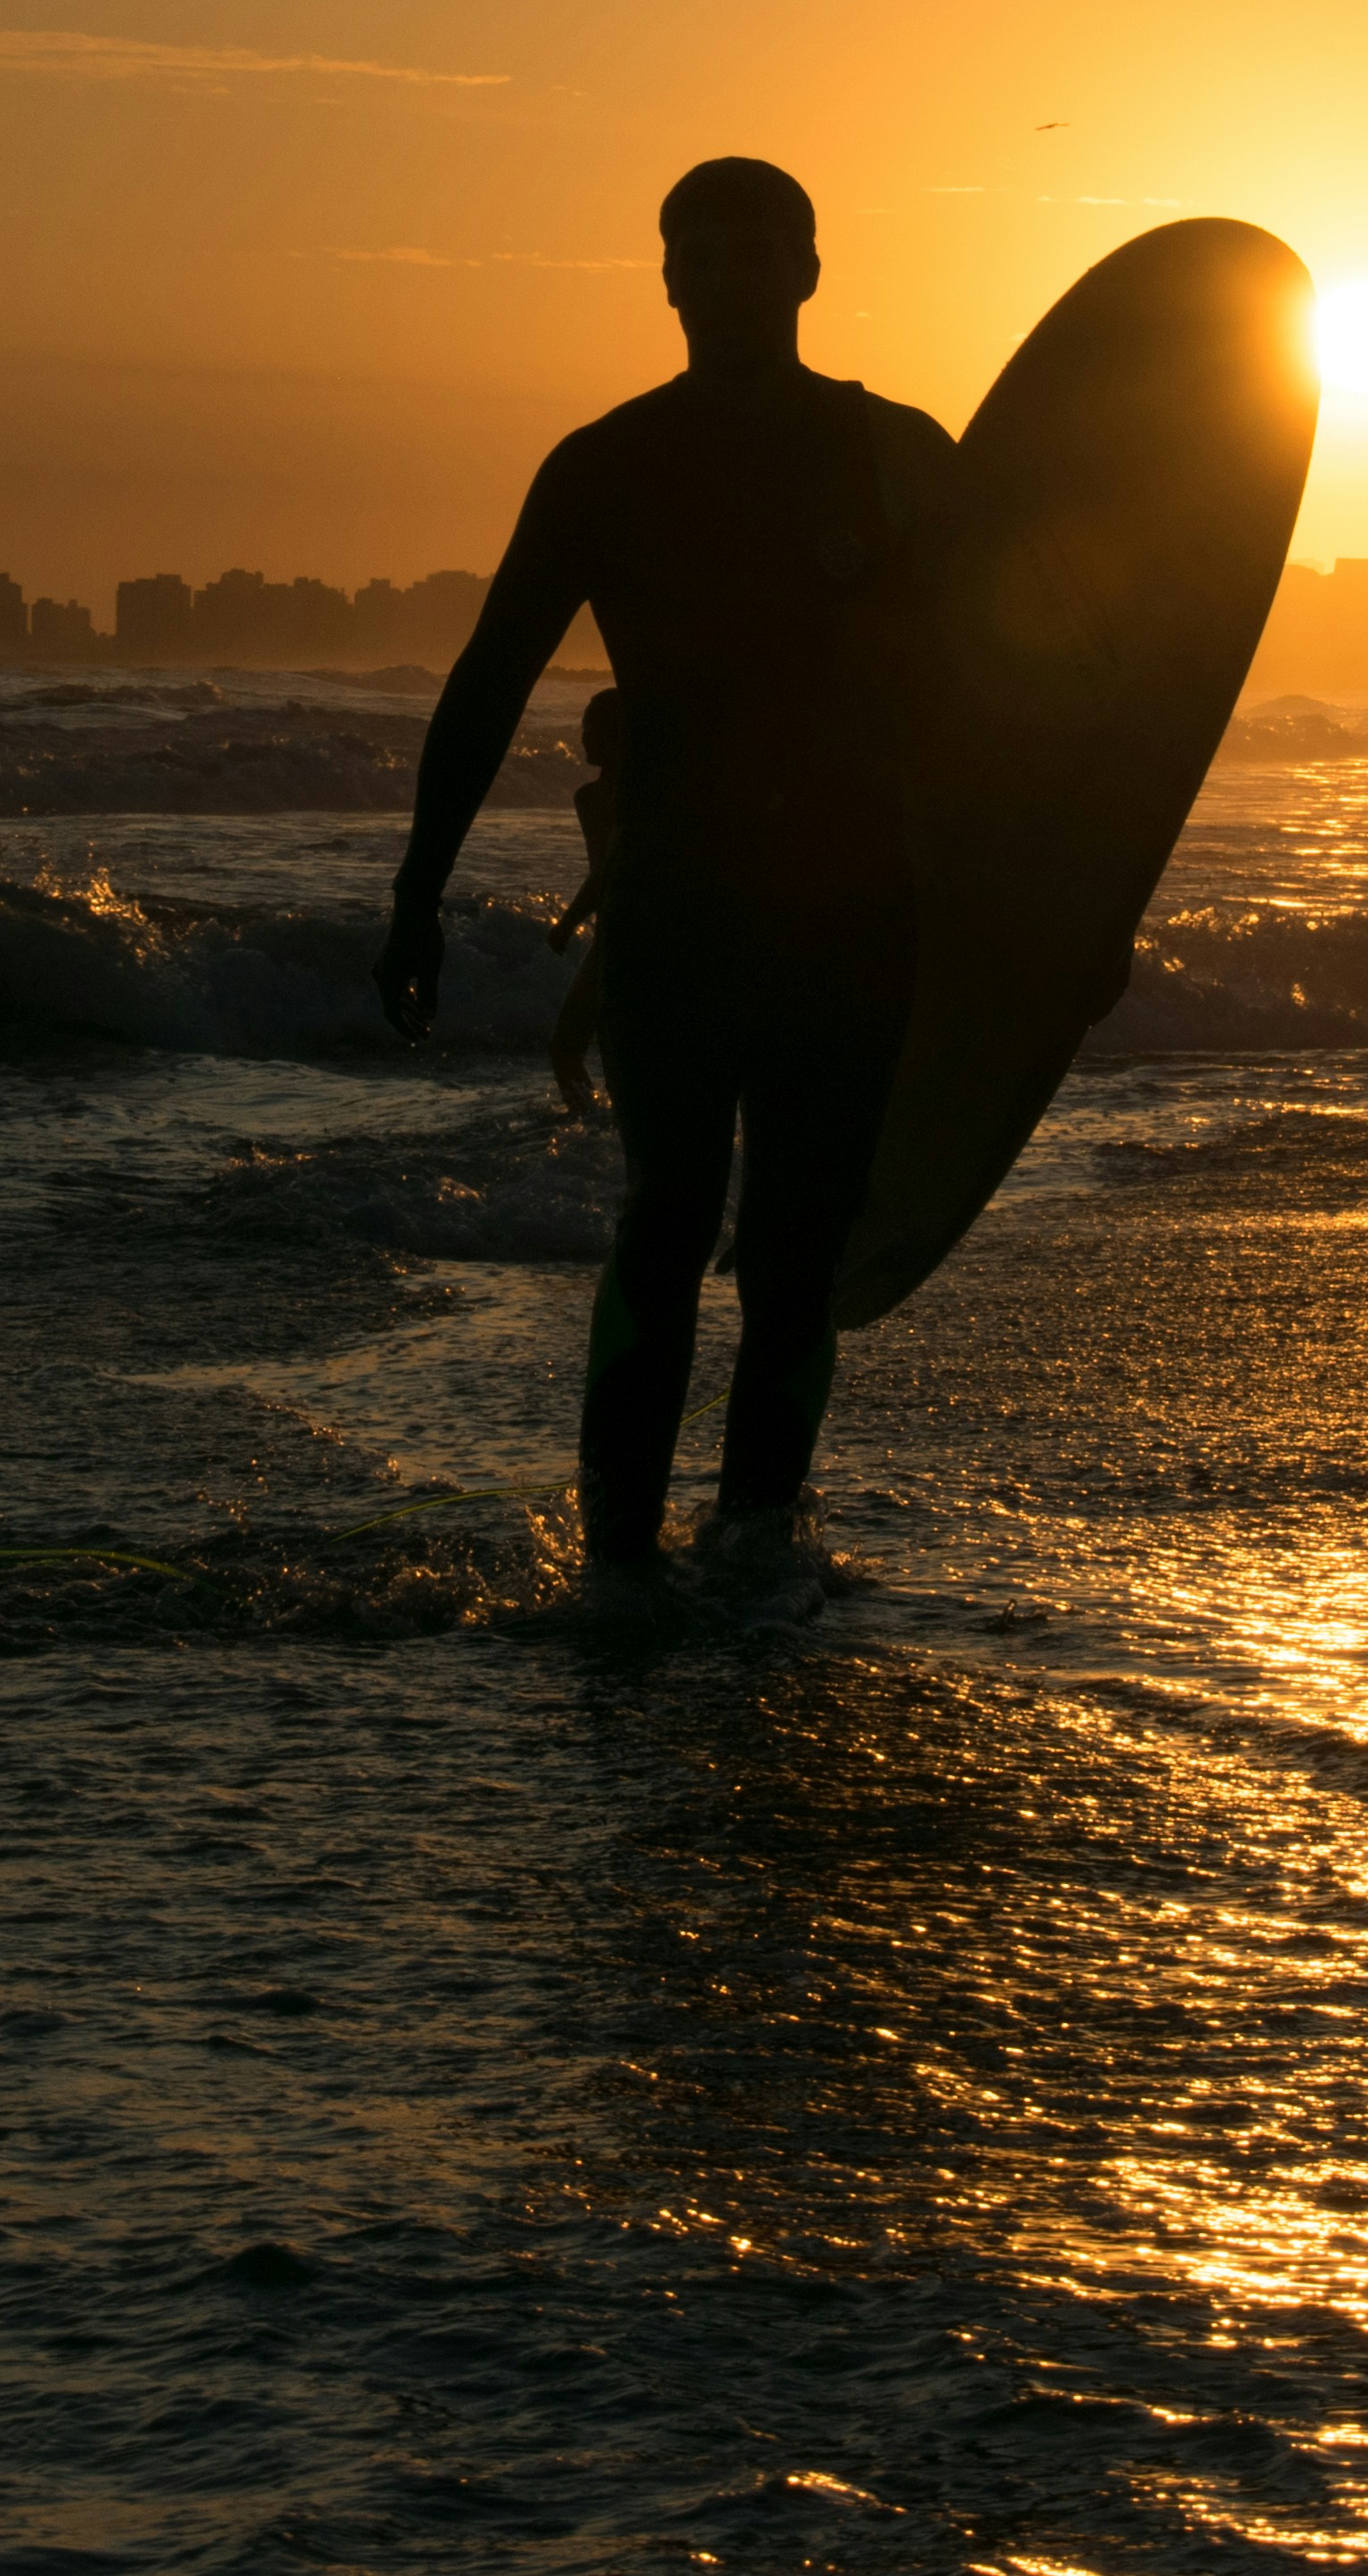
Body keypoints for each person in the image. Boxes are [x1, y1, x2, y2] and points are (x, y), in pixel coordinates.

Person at [373, 157, 954, 1625]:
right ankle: (621, 1566)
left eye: (756, 250)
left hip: (848, 903)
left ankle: (756, 1554)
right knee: (666, 1215)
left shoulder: (898, 458)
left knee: (797, 1247)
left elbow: (1013, 707)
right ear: (667, 280)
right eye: (698, 253)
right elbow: (489, 676)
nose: (728, 276)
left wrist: (1058, 925)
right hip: (680, 904)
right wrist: (415, 891)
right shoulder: (606, 465)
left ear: (807, 271)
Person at [548, 684, 625, 1121]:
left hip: (619, 934)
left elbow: (605, 873)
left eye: (591, 728)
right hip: (661, 931)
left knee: (567, 1048)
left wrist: (566, 923)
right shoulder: (662, 797)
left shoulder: (594, 798)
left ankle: (594, 1128)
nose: (582, 738)